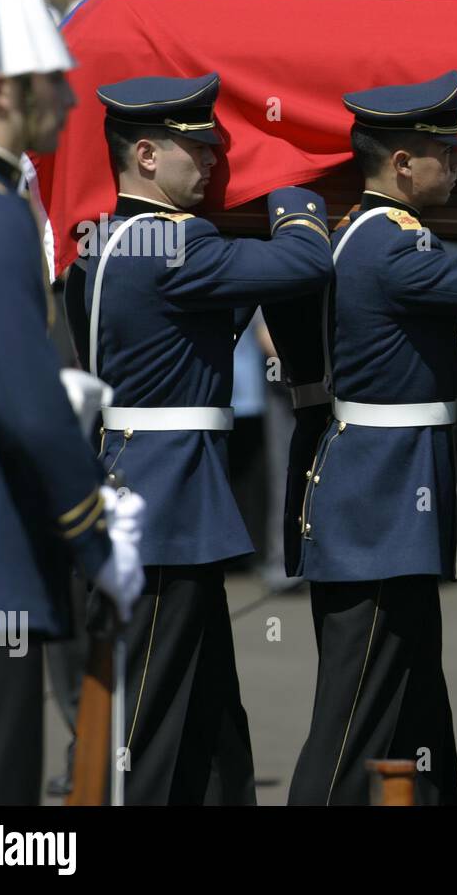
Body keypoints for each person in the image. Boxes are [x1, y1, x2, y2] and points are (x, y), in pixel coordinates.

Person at [288, 71, 457, 806]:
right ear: (403, 162)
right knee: (356, 716)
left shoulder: (399, 243)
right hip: (374, 513)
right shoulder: (391, 249)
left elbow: (450, 371)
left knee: (412, 707)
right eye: (449, 150)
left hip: (392, 509)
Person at [69, 70, 333, 804]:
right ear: (147, 155)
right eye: (200, 147)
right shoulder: (172, 246)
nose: (215, 159)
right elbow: (307, 262)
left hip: (143, 482)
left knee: (211, 712)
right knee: (148, 720)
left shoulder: (104, 241)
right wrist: (290, 179)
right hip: (166, 504)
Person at [0, 0, 143, 805]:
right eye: (54, 80)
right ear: (6, 88)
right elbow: (17, 396)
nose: (68, 96)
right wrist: (93, 535)